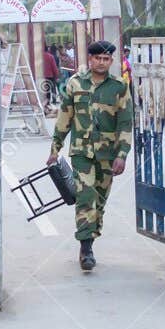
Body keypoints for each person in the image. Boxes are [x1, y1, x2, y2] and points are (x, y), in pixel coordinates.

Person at [49, 40, 133, 272]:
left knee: (99, 201)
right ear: (91, 59)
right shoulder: (75, 84)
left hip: (108, 154)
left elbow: (126, 123)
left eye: (106, 59)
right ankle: (86, 248)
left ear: (111, 61)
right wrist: (55, 148)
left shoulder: (119, 87)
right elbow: (65, 117)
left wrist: (123, 154)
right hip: (81, 153)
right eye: (98, 58)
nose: (101, 63)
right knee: (85, 197)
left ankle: (91, 237)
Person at [41, 43, 60, 109]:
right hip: (50, 75)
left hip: (42, 76)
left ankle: (47, 102)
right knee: (53, 88)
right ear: (47, 48)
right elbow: (54, 67)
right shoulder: (50, 56)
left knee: (45, 90)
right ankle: (54, 100)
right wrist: (56, 76)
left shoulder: (39, 57)